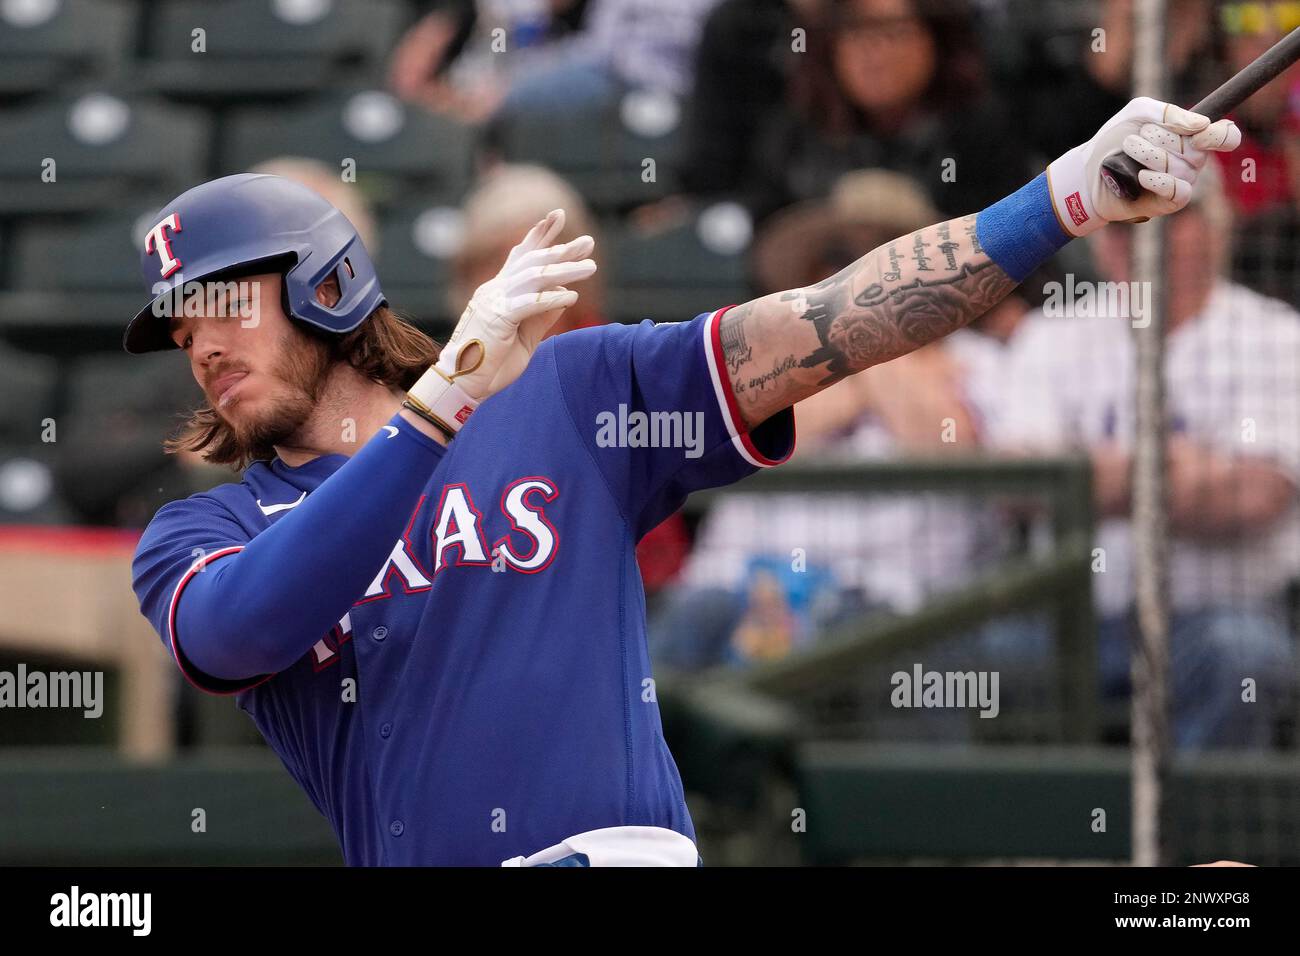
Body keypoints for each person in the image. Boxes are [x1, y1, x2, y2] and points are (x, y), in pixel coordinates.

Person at [127, 96, 1240, 865]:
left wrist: (1058, 199)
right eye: (181, 326)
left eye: (224, 301)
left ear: (325, 282)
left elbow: (833, 321)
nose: (202, 343)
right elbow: (239, 631)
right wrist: (439, 405)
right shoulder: (203, 532)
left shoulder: (563, 391)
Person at [988, 161, 1298, 750]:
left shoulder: (1277, 336)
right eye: (1127, 224)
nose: (1146, 239)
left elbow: (1255, 496)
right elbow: (1016, 487)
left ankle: (1200, 842)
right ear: (1102, 239)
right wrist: (1179, 469)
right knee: (954, 666)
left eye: (1171, 219)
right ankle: (1046, 841)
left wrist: (1089, 474)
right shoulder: (1052, 334)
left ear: (1217, 226)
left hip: (1220, 616)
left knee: (1248, 662)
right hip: (1075, 624)